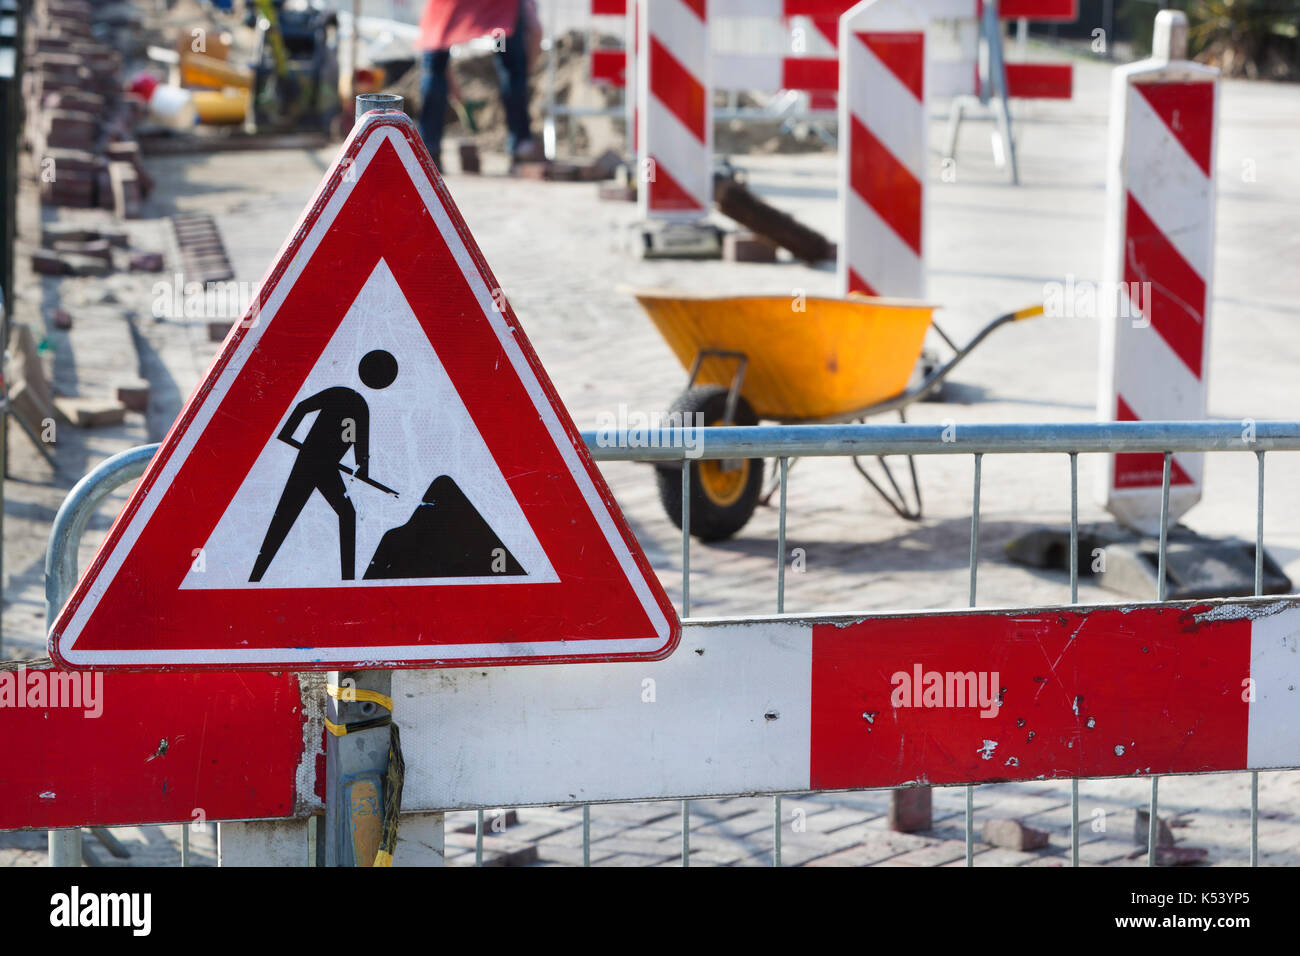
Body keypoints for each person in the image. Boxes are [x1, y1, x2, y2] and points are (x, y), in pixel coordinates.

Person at [250, 350, 399, 583]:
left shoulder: (352, 401)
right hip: (310, 462)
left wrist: (362, 473)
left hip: (324, 466)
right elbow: (302, 407)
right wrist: (286, 434)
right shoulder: (353, 402)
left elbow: (361, 447)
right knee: (286, 515)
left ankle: (347, 581)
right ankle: (255, 577)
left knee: (336, 514)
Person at [417, 0, 542, 169]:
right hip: (499, 13)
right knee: (509, 63)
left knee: (435, 64)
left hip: (451, 6)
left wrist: (455, 94)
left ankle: (429, 150)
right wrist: (521, 76)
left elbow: (436, 69)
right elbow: (535, 30)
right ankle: (521, 146)